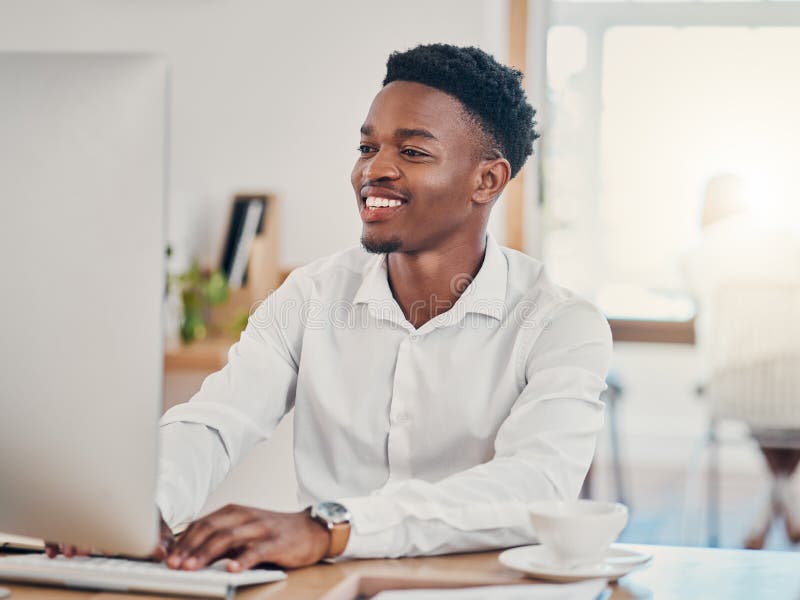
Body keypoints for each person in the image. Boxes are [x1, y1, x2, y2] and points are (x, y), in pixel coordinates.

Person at [49, 44, 612, 569]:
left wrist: (331, 526)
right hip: (331, 587)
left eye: (412, 151)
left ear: (487, 180)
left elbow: (536, 483)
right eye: (368, 147)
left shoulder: (560, 324)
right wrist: (140, 506)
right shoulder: (310, 296)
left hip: (483, 587)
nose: (374, 170)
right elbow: (215, 422)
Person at [684, 174, 800, 549]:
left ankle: (775, 508)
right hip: (797, 382)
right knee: (786, 414)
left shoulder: (701, 252)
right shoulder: (784, 244)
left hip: (735, 388)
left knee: (761, 402)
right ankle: (786, 505)